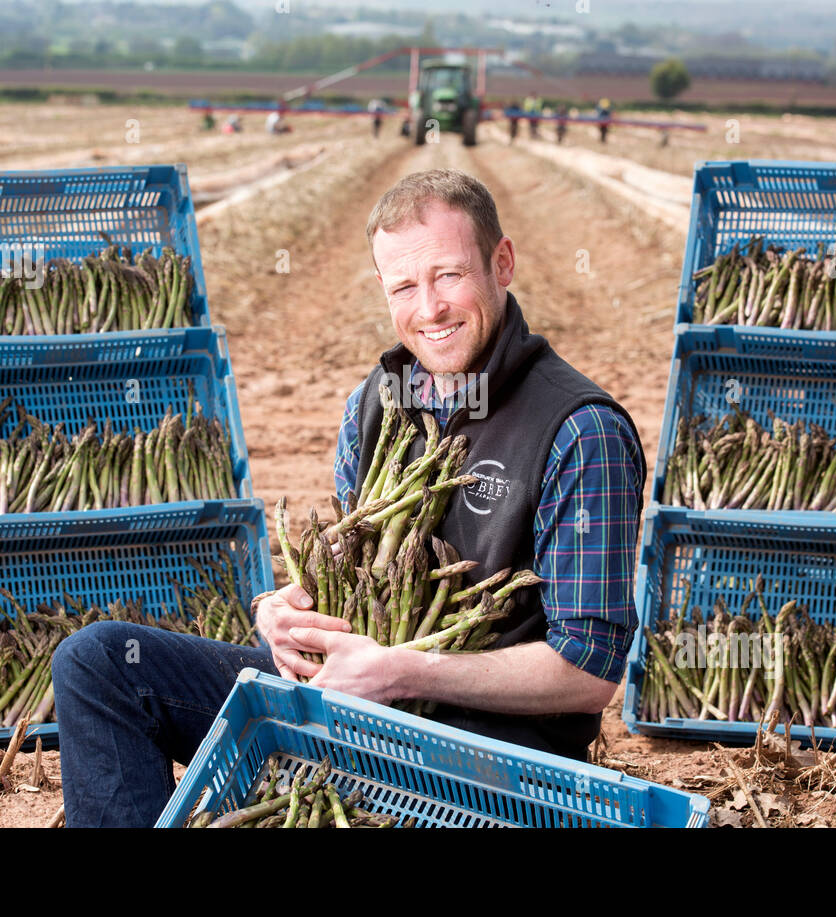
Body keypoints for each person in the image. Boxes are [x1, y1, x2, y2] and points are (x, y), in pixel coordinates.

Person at [50, 169, 647, 827]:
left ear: (501, 263)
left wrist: (407, 672)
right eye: (403, 286)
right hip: (347, 698)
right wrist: (280, 609)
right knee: (99, 663)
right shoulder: (373, 404)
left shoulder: (580, 430)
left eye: (448, 275)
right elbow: (343, 576)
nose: (429, 308)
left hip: (487, 755)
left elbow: (589, 671)